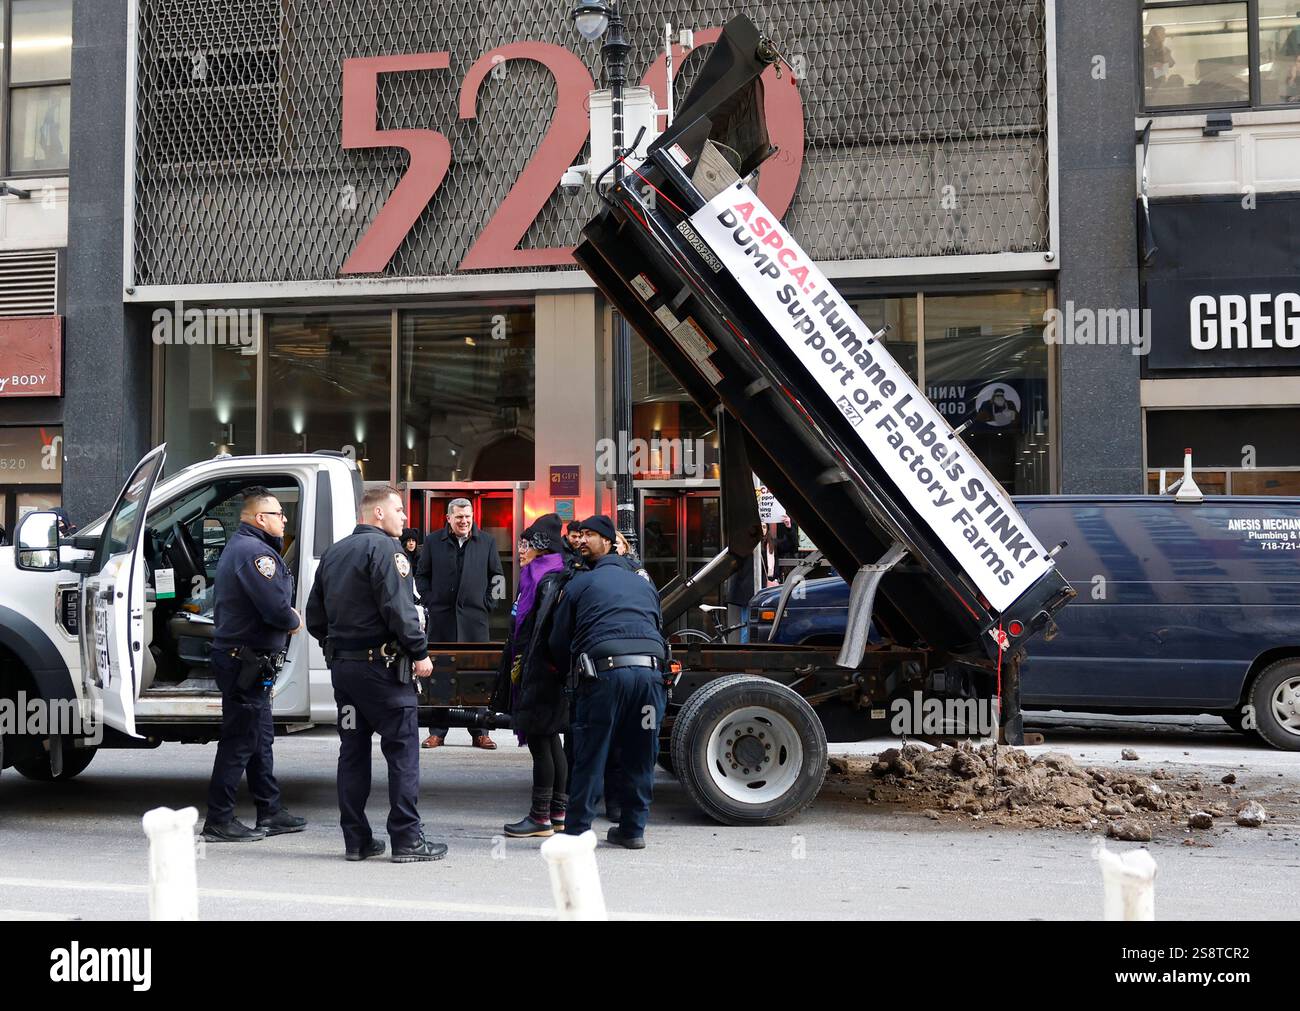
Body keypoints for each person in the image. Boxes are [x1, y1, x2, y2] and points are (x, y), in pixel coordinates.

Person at [306, 485, 447, 863]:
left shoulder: (333, 553)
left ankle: (356, 840)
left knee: (352, 752)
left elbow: (314, 618)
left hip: (346, 672)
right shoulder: (386, 550)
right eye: (399, 510)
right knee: (402, 751)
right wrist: (420, 653)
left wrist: (341, 647)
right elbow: (398, 609)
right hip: (384, 673)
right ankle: (406, 840)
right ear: (378, 514)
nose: (405, 517)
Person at [547, 515, 668, 849]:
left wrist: (564, 673)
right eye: (580, 534)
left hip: (604, 677)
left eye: (590, 535)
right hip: (649, 677)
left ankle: (577, 831)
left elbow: (558, 640)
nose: (581, 540)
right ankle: (632, 830)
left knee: (591, 753)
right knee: (641, 753)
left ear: (610, 542)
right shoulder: (644, 584)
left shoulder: (579, 584)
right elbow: (658, 626)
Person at [201, 487, 308, 842]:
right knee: (239, 740)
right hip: (244, 660)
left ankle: (270, 810)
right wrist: (293, 619)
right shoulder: (255, 554)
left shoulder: (248, 548)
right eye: (279, 514)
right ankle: (218, 819)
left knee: (259, 738)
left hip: (247, 660)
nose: (284, 520)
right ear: (261, 518)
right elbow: (275, 609)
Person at [493, 514, 571, 837]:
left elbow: (544, 632)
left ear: (540, 547)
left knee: (542, 743)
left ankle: (541, 819)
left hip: (541, 673)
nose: (520, 549)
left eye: (526, 543)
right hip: (541, 670)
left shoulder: (547, 578)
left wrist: (534, 668)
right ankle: (557, 814)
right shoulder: (539, 575)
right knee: (551, 742)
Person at [416, 498, 503, 750]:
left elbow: (497, 576)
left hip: (475, 622)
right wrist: (430, 601)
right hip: (442, 621)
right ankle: (437, 732)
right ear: (448, 519)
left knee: (478, 677)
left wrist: (490, 604)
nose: (464, 521)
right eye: (459, 517)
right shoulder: (433, 541)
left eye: (468, 517)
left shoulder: (486, 541)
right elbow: (422, 575)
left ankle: (480, 732)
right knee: (440, 677)